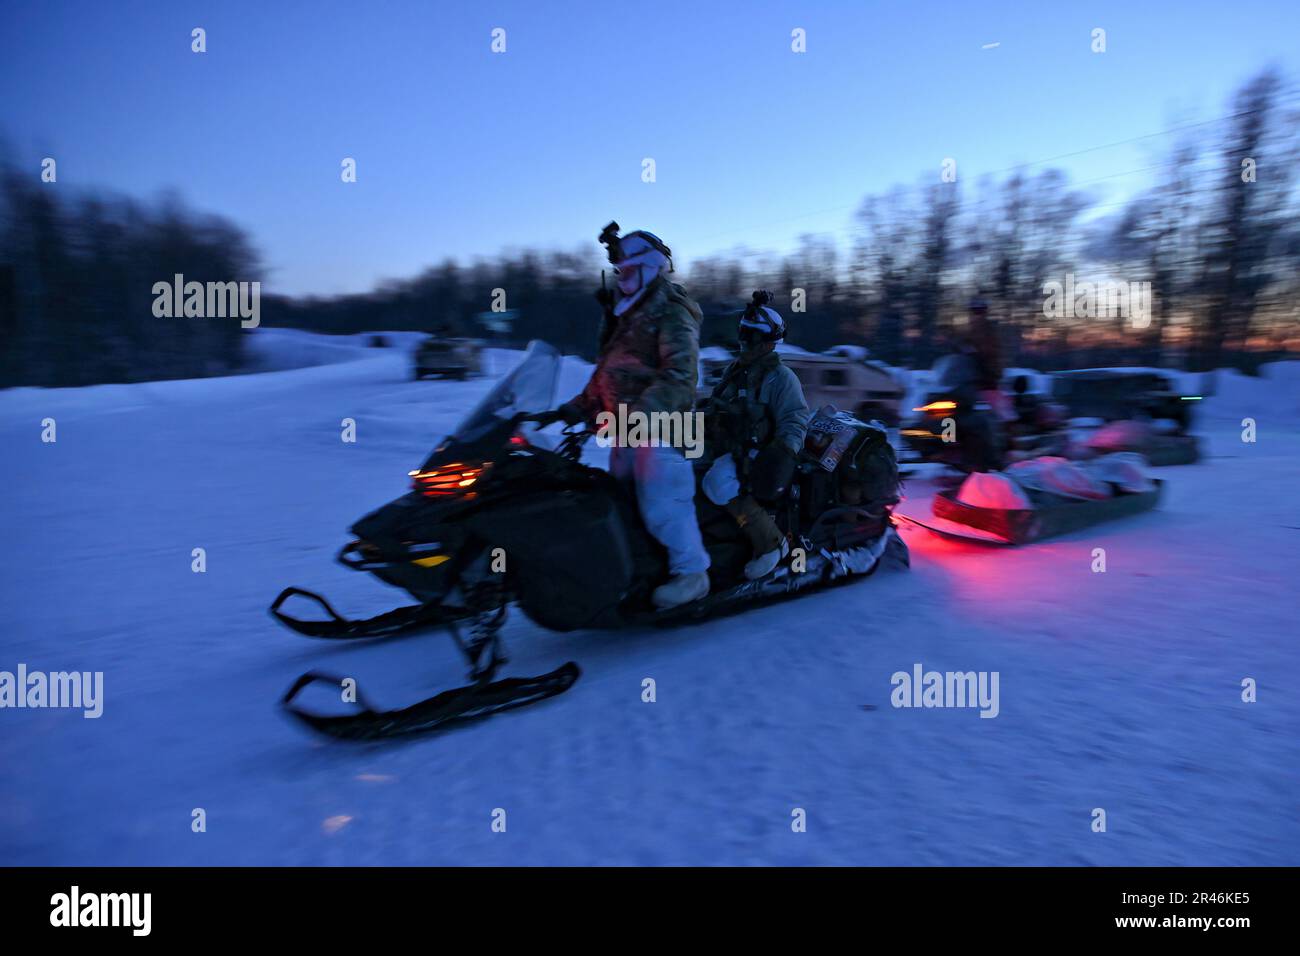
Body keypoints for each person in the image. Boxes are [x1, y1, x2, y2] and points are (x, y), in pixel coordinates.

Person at [533, 224, 711, 610]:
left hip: (667, 428)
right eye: (619, 272)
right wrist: (576, 408)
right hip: (626, 430)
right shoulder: (624, 315)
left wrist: (642, 415)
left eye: (628, 271)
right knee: (622, 502)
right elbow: (609, 374)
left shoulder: (671, 312)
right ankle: (640, 568)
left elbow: (680, 377)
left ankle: (691, 573)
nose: (621, 279)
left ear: (648, 269)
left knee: (661, 500)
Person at [699, 291, 810, 580]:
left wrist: (781, 455)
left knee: (717, 483)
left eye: (752, 337)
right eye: (743, 335)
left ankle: (771, 544)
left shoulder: (781, 378)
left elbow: (795, 418)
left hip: (757, 453)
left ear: (769, 343)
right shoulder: (734, 372)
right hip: (723, 445)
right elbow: (714, 405)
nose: (745, 343)